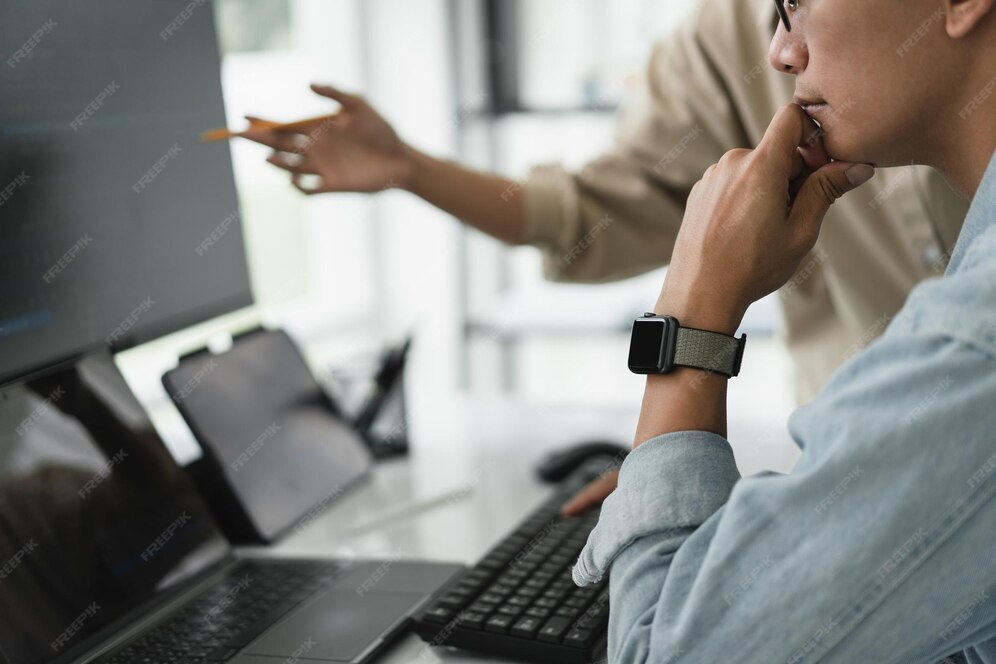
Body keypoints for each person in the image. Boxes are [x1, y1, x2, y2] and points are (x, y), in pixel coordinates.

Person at [242, 0, 970, 517]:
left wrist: (694, 324)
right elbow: (593, 214)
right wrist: (408, 167)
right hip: (849, 483)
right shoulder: (725, 38)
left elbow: (670, 644)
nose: (781, 53)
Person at [569, 0, 996, 659]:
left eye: (796, 2)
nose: (781, 52)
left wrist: (694, 309)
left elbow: (661, 653)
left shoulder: (976, 348)